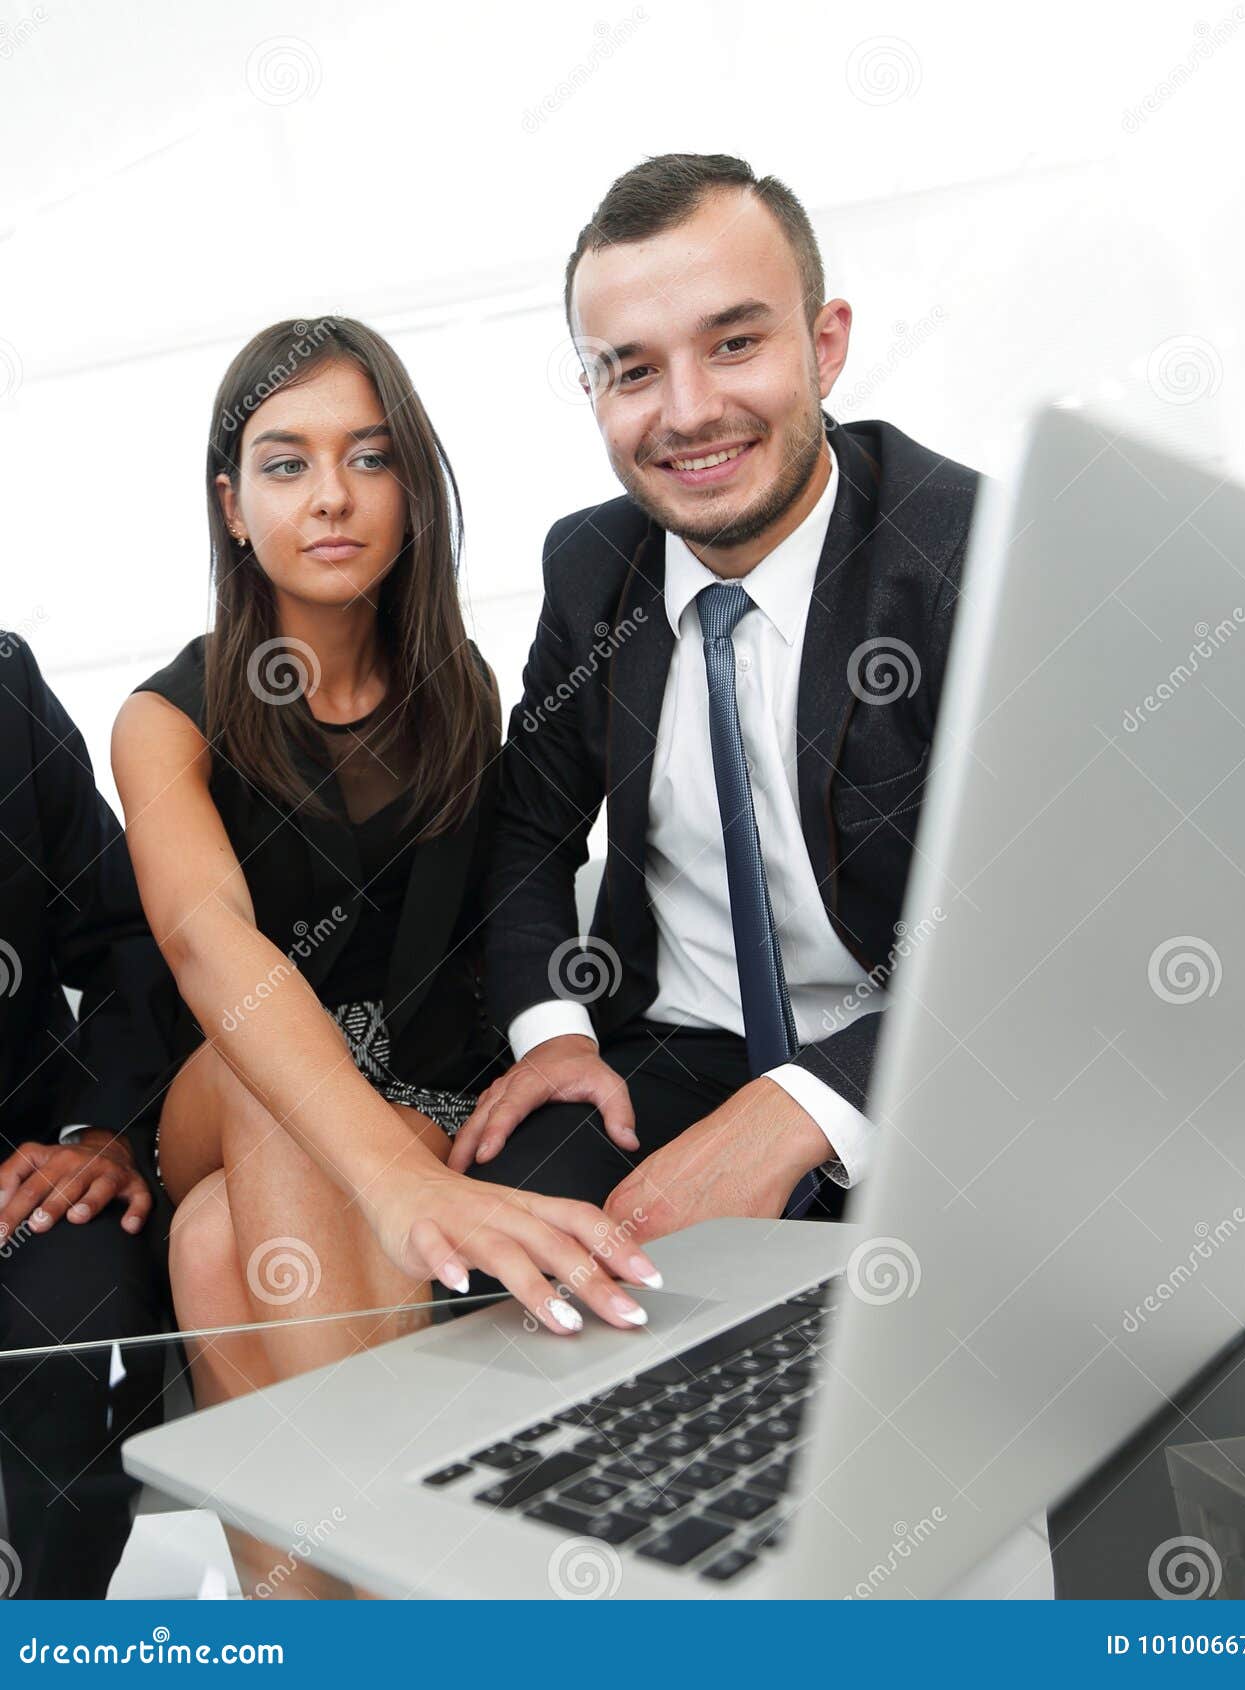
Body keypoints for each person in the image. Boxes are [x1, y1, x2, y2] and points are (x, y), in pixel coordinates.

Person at [111, 318, 661, 1592]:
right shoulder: (162, 717)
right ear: (231, 505)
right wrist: (397, 1190)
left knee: (211, 1246)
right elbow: (210, 943)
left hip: (422, 1088)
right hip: (226, 1087)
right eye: (286, 463)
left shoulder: (461, 687)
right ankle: (416, 1551)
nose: (333, 496)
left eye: (368, 456)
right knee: (264, 1051)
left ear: (412, 487)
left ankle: (312, 1619)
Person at [452, 154, 981, 1244]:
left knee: (940, 1325)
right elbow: (525, 829)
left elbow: (1053, 910)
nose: (688, 413)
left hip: (936, 1047)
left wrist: (801, 1107)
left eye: (734, 343)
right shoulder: (592, 569)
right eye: (631, 370)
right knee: (504, 1263)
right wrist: (554, 1031)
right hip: (677, 1044)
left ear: (824, 345)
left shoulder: (968, 555)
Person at [0, 629, 175, 1599]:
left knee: (86, 1330)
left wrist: (102, 1132)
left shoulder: (4, 678)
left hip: (27, 1166)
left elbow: (121, 938)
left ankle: (41, 1642)